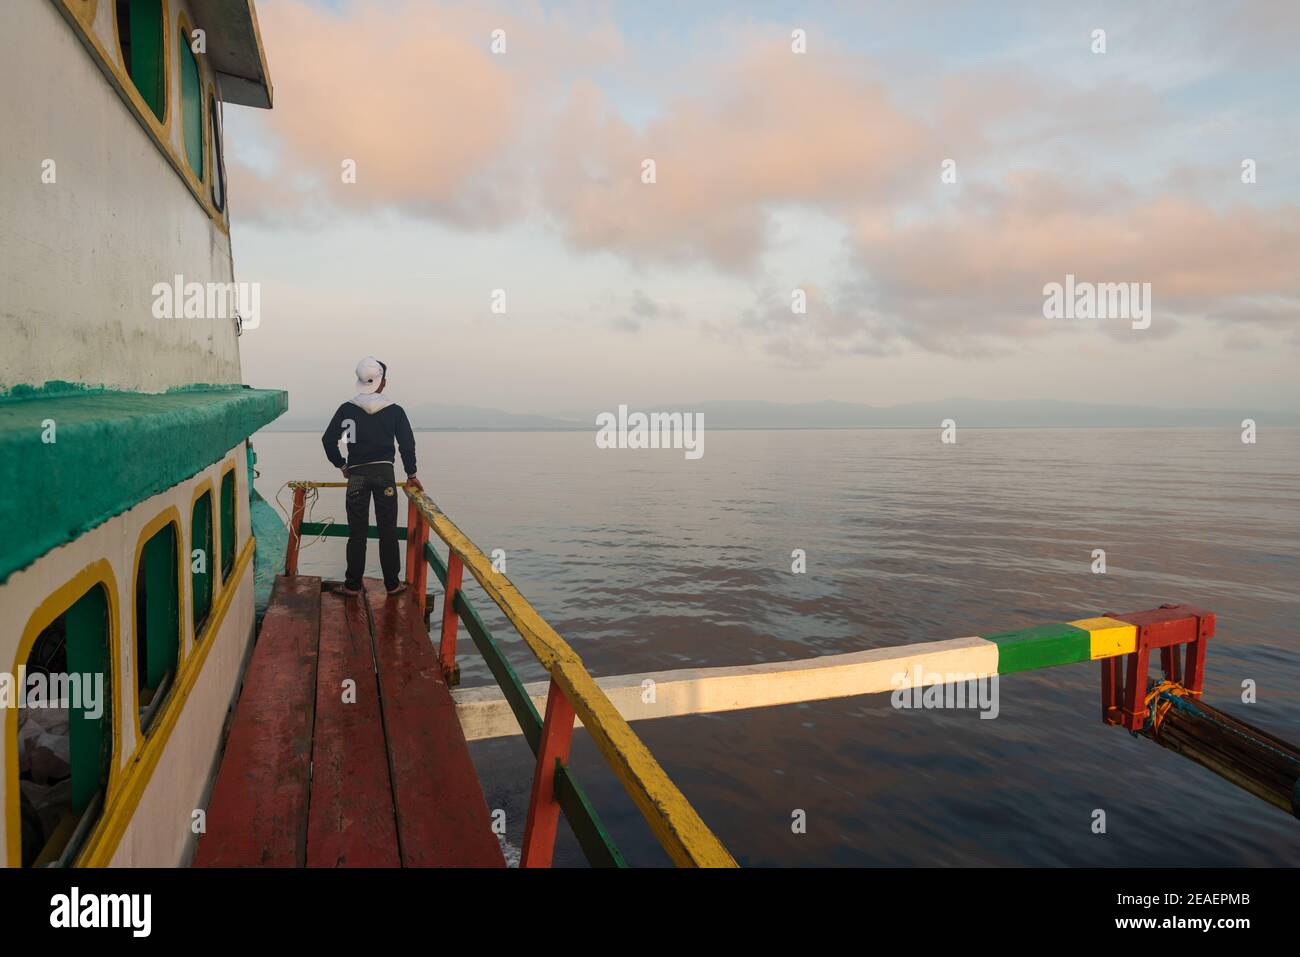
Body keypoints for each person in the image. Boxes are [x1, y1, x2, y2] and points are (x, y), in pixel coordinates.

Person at [321, 357, 422, 596]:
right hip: (384, 475)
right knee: (388, 530)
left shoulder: (347, 408)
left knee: (357, 531)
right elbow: (406, 444)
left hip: (356, 475)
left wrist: (341, 464)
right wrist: (411, 473)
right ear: (383, 382)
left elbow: (328, 440)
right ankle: (392, 584)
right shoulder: (395, 410)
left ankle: (353, 585)